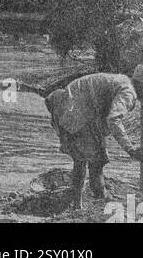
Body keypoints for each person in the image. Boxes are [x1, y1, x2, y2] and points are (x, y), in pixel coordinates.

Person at [44, 66, 143, 208]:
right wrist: (130, 149)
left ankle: (80, 203)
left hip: (68, 106)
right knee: (97, 159)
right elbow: (113, 119)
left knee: (83, 159)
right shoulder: (128, 92)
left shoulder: (123, 81)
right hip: (75, 111)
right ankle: (99, 198)